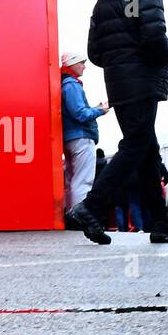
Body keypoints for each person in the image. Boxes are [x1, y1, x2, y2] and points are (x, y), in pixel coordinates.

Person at [70, 0, 168, 245]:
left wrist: (120, 64)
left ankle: (161, 224)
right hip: (142, 80)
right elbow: (153, 35)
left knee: (145, 148)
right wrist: (167, 56)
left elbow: (94, 52)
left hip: (119, 83)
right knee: (136, 144)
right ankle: (91, 207)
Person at [59, 50, 108, 220]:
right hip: (81, 137)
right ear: (72, 64)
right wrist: (100, 110)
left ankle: (70, 214)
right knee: (83, 181)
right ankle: (80, 218)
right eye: (81, 62)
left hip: (70, 137)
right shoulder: (72, 85)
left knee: (71, 180)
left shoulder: (64, 84)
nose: (84, 66)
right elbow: (80, 114)